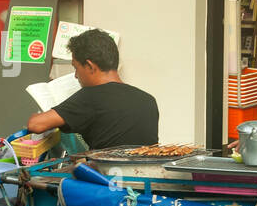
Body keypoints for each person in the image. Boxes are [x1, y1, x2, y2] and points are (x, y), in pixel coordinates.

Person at [26, 29, 158, 150]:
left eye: (76, 68)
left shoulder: (91, 96)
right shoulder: (148, 100)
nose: (76, 75)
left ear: (90, 66)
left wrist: (37, 115)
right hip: (145, 174)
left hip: (103, 175)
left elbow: (36, 125)